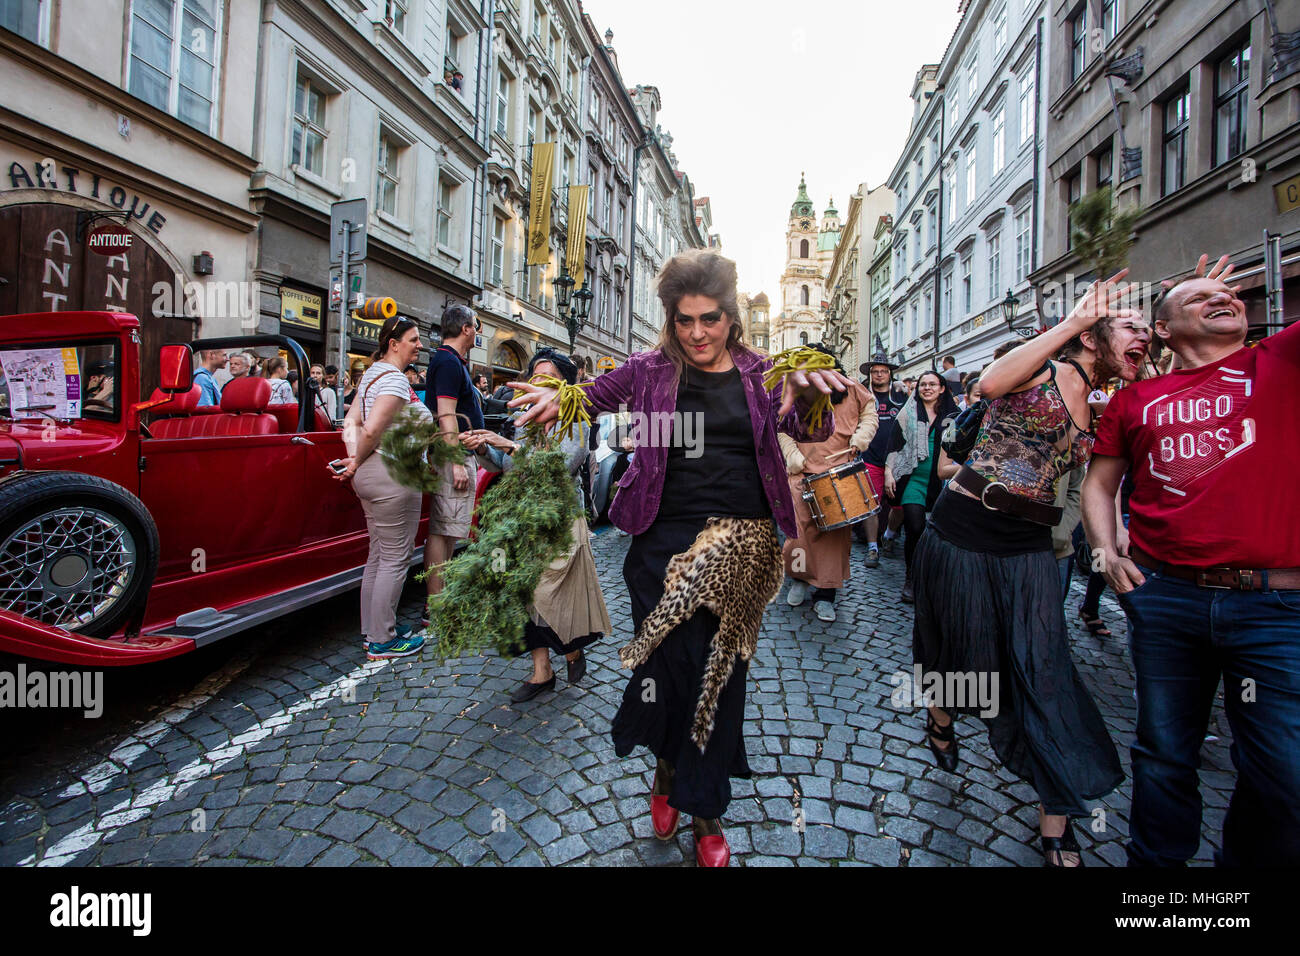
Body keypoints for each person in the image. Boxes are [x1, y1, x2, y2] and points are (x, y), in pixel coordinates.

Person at [509, 249, 849, 867]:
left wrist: (810, 398)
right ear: (670, 317)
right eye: (685, 319)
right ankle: (668, 772)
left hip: (742, 548)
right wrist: (561, 398)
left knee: (719, 678)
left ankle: (706, 809)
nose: (697, 333)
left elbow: (809, 431)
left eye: (710, 319)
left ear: (731, 317)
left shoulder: (762, 372)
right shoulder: (647, 370)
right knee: (666, 676)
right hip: (662, 549)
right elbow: (591, 393)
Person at [911, 270, 1151, 867]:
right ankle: (941, 716)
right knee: (954, 648)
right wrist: (1073, 321)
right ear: (1092, 337)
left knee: (1044, 669)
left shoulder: (1109, 402)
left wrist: (1110, 538)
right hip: (961, 529)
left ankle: (1056, 821)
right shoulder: (1044, 366)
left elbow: (1102, 480)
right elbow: (989, 382)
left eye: (1148, 328)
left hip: (1030, 547)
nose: (1143, 336)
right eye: (1130, 325)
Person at [1083, 255, 1300, 867]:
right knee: (1163, 752)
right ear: (1165, 330)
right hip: (1169, 598)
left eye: (1228, 293)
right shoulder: (1137, 400)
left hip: (1277, 607)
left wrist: (1198, 287)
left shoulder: (1280, 362)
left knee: (1280, 767)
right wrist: (1104, 550)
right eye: (1200, 297)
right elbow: (1100, 485)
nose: (1222, 297)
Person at [462, 348, 609, 702]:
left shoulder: (575, 420)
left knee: (552, 592)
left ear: (563, 383)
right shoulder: (525, 418)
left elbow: (559, 467)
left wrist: (510, 448)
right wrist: (484, 448)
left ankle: (572, 648)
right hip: (521, 516)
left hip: (559, 519)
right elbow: (502, 465)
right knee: (523, 595)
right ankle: (541, 672)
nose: (538, 383)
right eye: (535, 377)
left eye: (547, 377)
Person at [332, 315, 430, 660]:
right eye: (414, 339)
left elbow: (350, 423)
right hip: (392, 472)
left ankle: (372, 628)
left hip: (374, 473)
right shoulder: (392, 380)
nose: (419, 345)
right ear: (394, 343)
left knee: (379, 554)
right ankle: (382, 640)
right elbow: (370, 430)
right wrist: (356, 459)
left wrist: (353, 459)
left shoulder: (372, 375)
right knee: (395, 557)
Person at [780, 344, 878, 623]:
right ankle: (799, 578)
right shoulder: (795, 391)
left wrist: (861, 439)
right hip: (802, 473)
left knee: (834, 538)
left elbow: (870, 414)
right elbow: (780, 429)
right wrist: (793, 456)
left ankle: (826, 594)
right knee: (798, 535)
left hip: (840, 472)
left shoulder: (852, 388)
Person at [422, 305, 485, 623]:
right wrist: (456, 461)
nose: (478, 331)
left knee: (448, 530)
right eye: (477, 325)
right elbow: (446, 414)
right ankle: (437, 606)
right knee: (443, 529)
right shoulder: (447, 361)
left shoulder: (451, 361)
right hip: (454, 453)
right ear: (466, 329)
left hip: (456, 452)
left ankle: (441, 600)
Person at [883, 369, 959, 604]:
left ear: (942, 388)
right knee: (915, 526)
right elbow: (894, 443)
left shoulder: (951, 415)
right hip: (912, 477)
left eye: (932, 384)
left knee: (936, 533)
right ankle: (911, 578)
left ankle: (932, 576)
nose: (927, 388)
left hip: (941, 480)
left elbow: (958, 448)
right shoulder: (908, 411)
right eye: (923, 384)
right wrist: (888, 472)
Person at [857, 352, 910, 568]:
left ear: (890, 374)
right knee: (871, 505)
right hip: (870, 457)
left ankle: (889, 534)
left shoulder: (900, 396)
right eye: (875, 372)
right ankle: (872, 547)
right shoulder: (862, 395)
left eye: (883, 371)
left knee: (899, 506)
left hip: (898, 459)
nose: (879, 375)